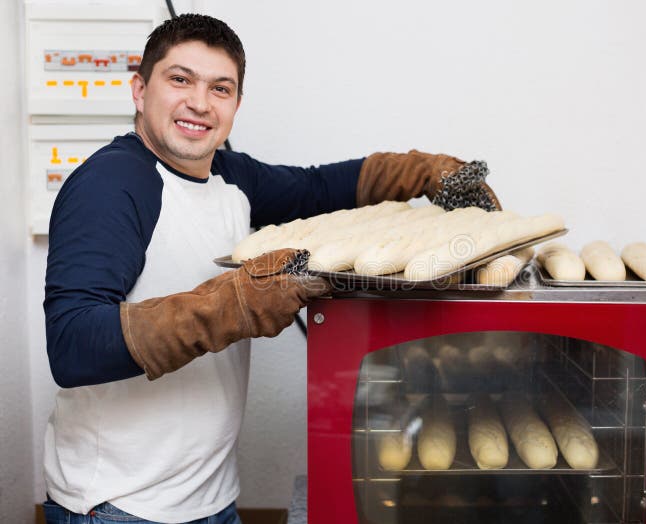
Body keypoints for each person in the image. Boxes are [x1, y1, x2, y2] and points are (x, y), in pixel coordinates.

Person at [42, 13, 500, 524]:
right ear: (139, 89)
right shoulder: (110, 186)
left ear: (236, 104)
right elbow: (73, 345)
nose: (199, 102)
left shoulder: (229, 177)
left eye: (221, 88)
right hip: (119, 505)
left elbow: (318, 188)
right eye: (180, 80)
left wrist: (421, 170)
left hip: (208, 498)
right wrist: (232, 303)